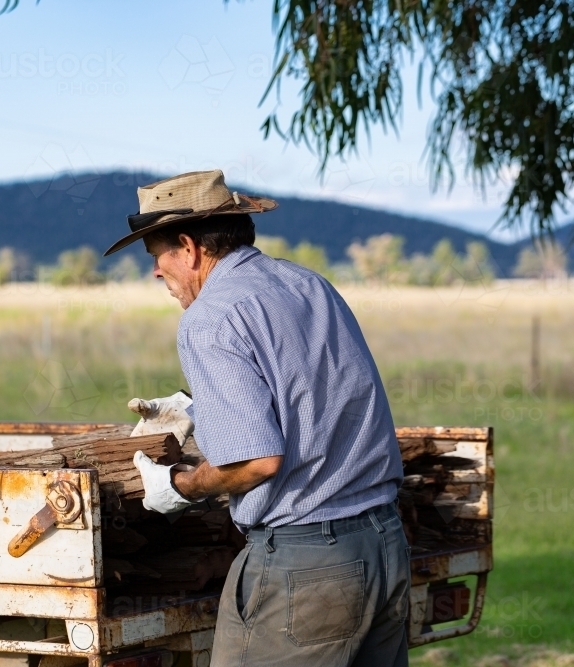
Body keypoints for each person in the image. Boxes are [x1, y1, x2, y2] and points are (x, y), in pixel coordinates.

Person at [105, 170, 409, 667]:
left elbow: (257, 462)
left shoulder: (209, 318)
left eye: (156, 255)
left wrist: (180, 487)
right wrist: (197, 406)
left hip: (307, 562)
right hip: (384, 544)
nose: (157, 272)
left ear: (189, 247)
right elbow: (310, 394)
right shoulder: (309, 285)